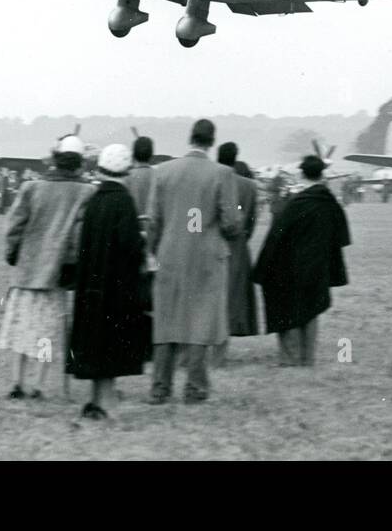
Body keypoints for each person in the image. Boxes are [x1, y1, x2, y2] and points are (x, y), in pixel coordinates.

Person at [147, 119, 241, 405]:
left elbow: (153, 220)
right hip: (205, 257)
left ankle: (160, 387)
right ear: (211, 142)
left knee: (165, 320)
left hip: (169, 254)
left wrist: (155, 250)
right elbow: (231, 222)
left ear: (190, 138)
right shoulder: (223, 173)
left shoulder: (162, 172)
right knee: (199, 321)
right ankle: (195, 387)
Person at [0, 135, 92, 399]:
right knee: (46, 332)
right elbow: (78, 235)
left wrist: (12, 253)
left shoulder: (31, 187)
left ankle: (17, 383)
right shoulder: (85, 192)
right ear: (79, 163)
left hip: (26, 270)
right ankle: (38, 385)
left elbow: (13, 226)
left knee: (21, 328)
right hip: (56, 275)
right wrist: (72, 266)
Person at [66, 144, 149, 420]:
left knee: (94, 345)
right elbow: (129, 246)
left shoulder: (94, 198)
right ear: (126, 171)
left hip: (90, 284)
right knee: (111, 347)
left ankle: (95, 400)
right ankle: (105, 403)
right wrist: (143, 240)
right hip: (116, 287)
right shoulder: (123, 200)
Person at [253, 153, 351, 367]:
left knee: (290, 310)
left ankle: (291, 358)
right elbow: (342, 237)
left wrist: (263, 268)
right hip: (320, 266)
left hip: (293, 266)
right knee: (312, 310)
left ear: (302, 173)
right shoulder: (330, 203)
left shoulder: (297, 204)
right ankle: (308, 358)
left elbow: (276, 235)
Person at [211, 145, 259, 367]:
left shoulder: (209, 180)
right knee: (230, 300)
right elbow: (251, 222)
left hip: (210, 244)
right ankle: (219, 357)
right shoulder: (249, 186)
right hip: (238, 246)